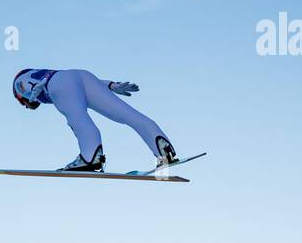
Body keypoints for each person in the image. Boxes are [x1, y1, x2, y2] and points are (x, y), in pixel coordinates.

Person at [12, 68, 178, 172]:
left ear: (20, 98)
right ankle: (164, 151)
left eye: (23, 104)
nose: (27, 106)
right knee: (127, 114)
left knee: (77, 118)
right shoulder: (44, 75)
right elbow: (74, 80)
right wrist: (111, 85)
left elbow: (24, 84)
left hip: (59, 82)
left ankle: (90, 157)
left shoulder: (19, 84)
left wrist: (33, 88)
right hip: (82, 76)